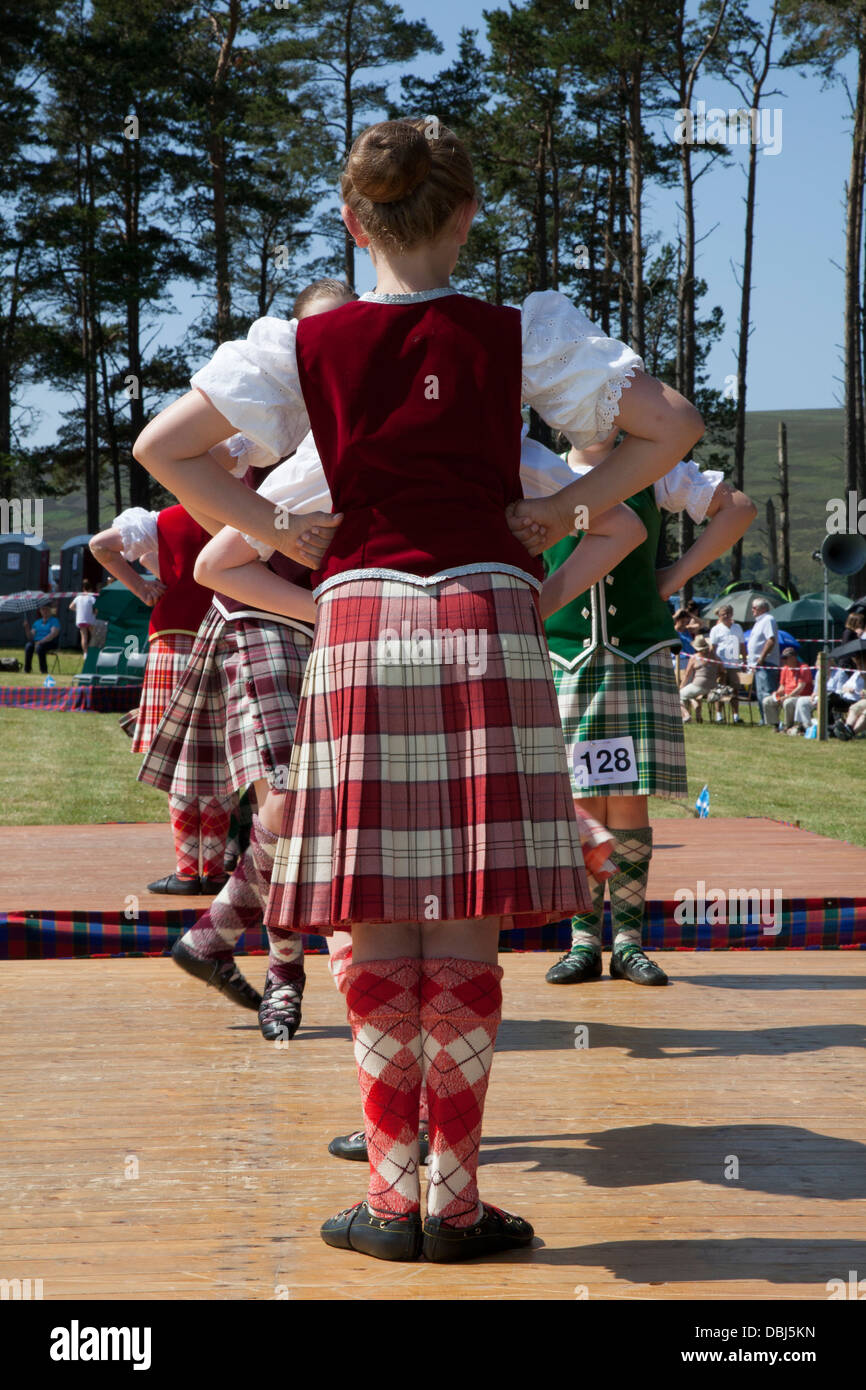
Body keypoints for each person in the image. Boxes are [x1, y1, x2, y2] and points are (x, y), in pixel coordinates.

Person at [133, 118, 703, 1264]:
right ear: (466, 216)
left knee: (379, 912)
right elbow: (673, 430)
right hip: (489, 615)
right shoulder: (519, 331)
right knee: (468, 917)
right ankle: (457, 1200)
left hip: (355, 617)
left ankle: (392, 1199)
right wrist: (565, 508)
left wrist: (270, 524)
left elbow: (165, 447)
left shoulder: (306, 345)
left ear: (354, 222)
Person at [139, 278, 357, 1035]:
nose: (336, 344)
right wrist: (268, 528)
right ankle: (281, 977)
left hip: (332, 623)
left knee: (311, 812)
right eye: (320, 333)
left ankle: (231, 948)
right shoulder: (258, 417)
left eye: (349, 326)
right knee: (286, 802)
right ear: (294, 339)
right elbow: (198, 511)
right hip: (257, 610)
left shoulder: (364, 407)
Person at [542, 432, 754, 988]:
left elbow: (738, 508)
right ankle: (584, 940)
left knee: (628, 800)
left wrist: (675, 577)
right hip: (566, 657)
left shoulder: (656, 468)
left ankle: (629, 941)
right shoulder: (536, 470)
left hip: (637, 651)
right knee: (584, 804)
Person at [90, 505, 230, 895]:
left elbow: (100, 546)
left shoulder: (161, 520)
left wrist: (142, 587)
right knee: (219, 759)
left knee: (180, 759)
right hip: (226, 635)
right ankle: (215, 870)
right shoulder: (244, 509)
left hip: (171, 639)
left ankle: (187, 872)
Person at [708, 603, 747, 722]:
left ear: (732, 614)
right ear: (719, 616)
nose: (725, 616)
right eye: (723, 614)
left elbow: (742, 645)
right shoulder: (715, 629)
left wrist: (744, 660)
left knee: (734, 690)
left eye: (727, 613)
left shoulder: (737, 628)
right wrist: (716, 663)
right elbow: (712, 648)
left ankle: (736, 716)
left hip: (734, 664)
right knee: (720, 690)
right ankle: (719, 715)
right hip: (721, 665)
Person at [762, 646, 813, 731]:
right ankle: (776, 725)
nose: (783, 660)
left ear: (793, 657)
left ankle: (788, 726)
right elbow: (782, 687)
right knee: (767, 701)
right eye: (783, 658)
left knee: (788, 702)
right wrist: (777, 694)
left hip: (801, 696)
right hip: (787, 695)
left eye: (786, 658)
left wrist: (787, 696)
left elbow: (800, 687)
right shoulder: (785, 668)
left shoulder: (803, 668)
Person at [747, 597, 780, 721]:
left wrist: (761, 658)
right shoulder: (759, 621)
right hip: (758, 664)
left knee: (766, 693)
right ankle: (764, 719)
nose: (752, 610)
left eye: (754, 607)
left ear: (763, 608)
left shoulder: (768, 620)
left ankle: (770, 720)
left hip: (765, 663)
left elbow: (771, 640)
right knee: (760, 694)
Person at [679, 635, 723, 723]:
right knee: (692, 694)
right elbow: (722, 671)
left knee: (678, 695)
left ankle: (686, 715)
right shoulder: (715, 658)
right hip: (713, 687)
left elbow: (687, 674)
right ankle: (698, 715)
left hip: (699, 685)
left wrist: (681, 687)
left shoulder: (694, 657)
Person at [23, 603, 60, 673]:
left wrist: (41, 641)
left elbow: (53, 634)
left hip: (50, 642)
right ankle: (27, 669)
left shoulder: (54, 621)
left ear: (50, 610)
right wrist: (27, 628)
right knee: (28, 646)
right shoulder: (37, 622)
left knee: (40, 647)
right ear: (40, 611)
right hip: (37, 642)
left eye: (47, 609)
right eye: (43, 609)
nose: (45, 611)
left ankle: (43, 670)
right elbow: (30, 637)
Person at [68, 580, 97, 654]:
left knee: (84, 637)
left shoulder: (78, 597)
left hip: (80, 619)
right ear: (90, 589)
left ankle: (85, 653)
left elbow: (71, 607)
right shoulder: (92, 598)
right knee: (93, 636)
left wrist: (78, 610)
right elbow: (96, 610)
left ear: (83, 588)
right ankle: (93, 651)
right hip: (90, 619)